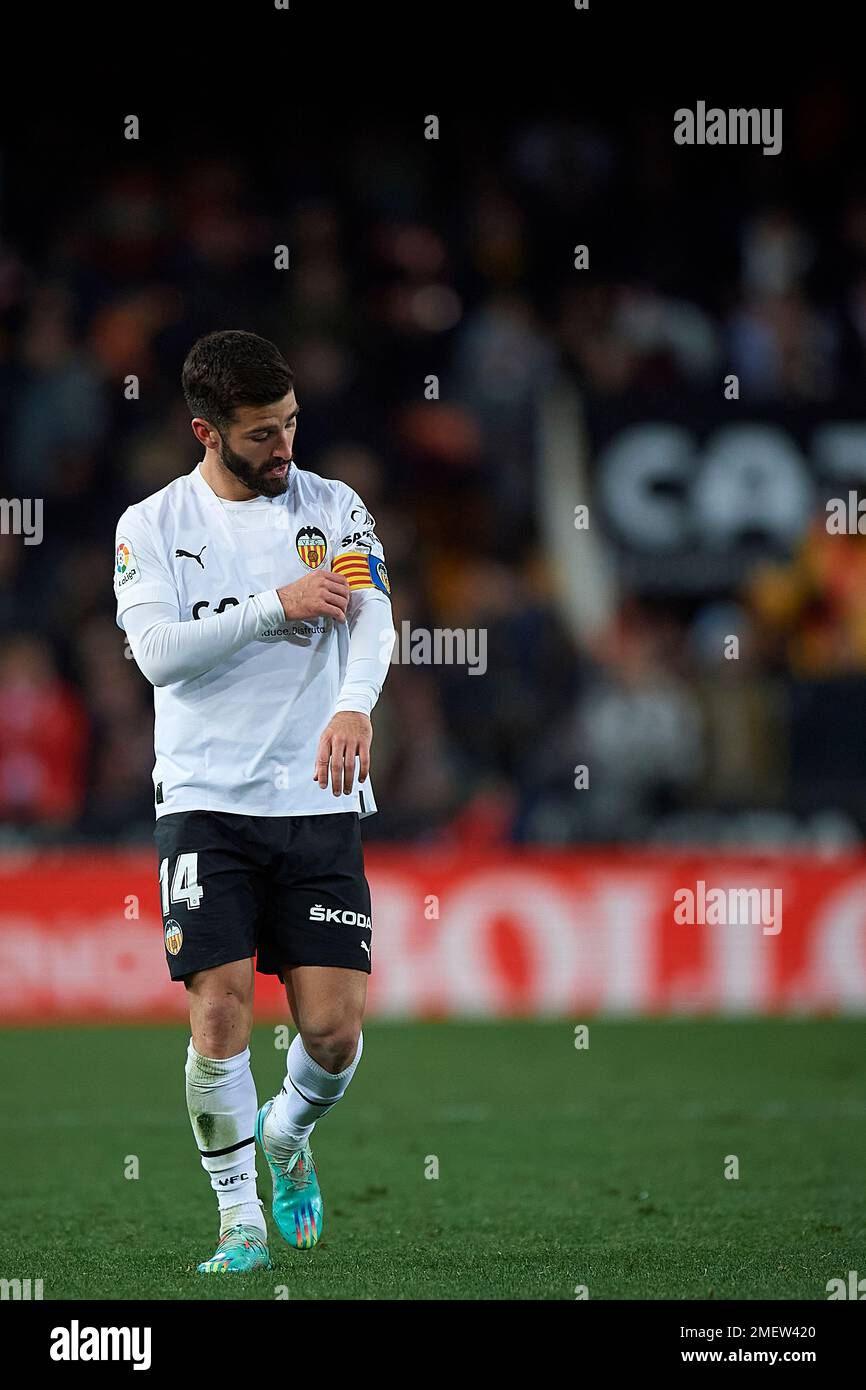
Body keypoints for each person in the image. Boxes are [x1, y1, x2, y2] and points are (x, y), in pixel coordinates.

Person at [113, 329, 395, 1272]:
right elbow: (158, 656)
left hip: (318, 799)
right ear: (207, 433)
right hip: (203, 799)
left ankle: (285, 1136)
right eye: (264, 435)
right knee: (220, 1010)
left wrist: (353, 706)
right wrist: (276, 604)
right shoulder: (150, 528)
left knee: (332, 1028)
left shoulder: (332, 505)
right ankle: (238, 1221)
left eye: (292, 425)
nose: (285, 449)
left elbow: (374, 613)